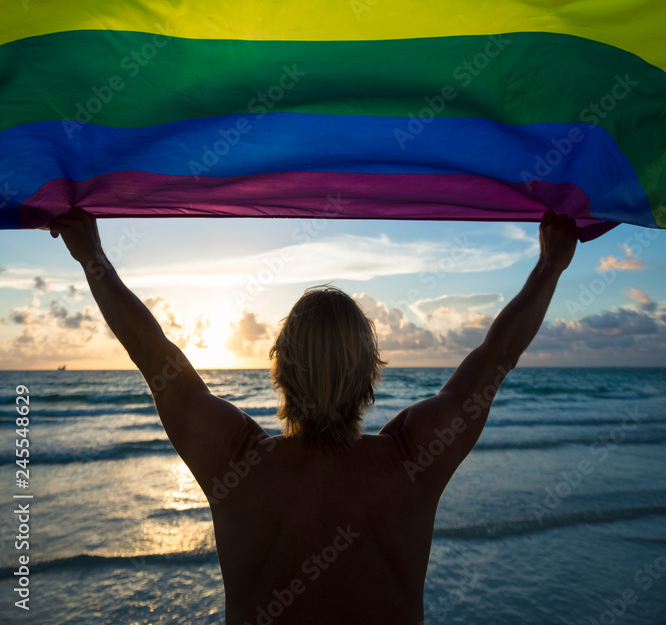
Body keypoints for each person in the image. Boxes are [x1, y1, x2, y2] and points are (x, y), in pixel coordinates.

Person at [48, 206, 577, 625]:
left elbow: (153, 352)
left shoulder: (238, 463)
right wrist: (550, 265)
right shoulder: (413, 459)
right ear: (371, 373)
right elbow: (496, 356)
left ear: (280, 368)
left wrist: (91, 256)